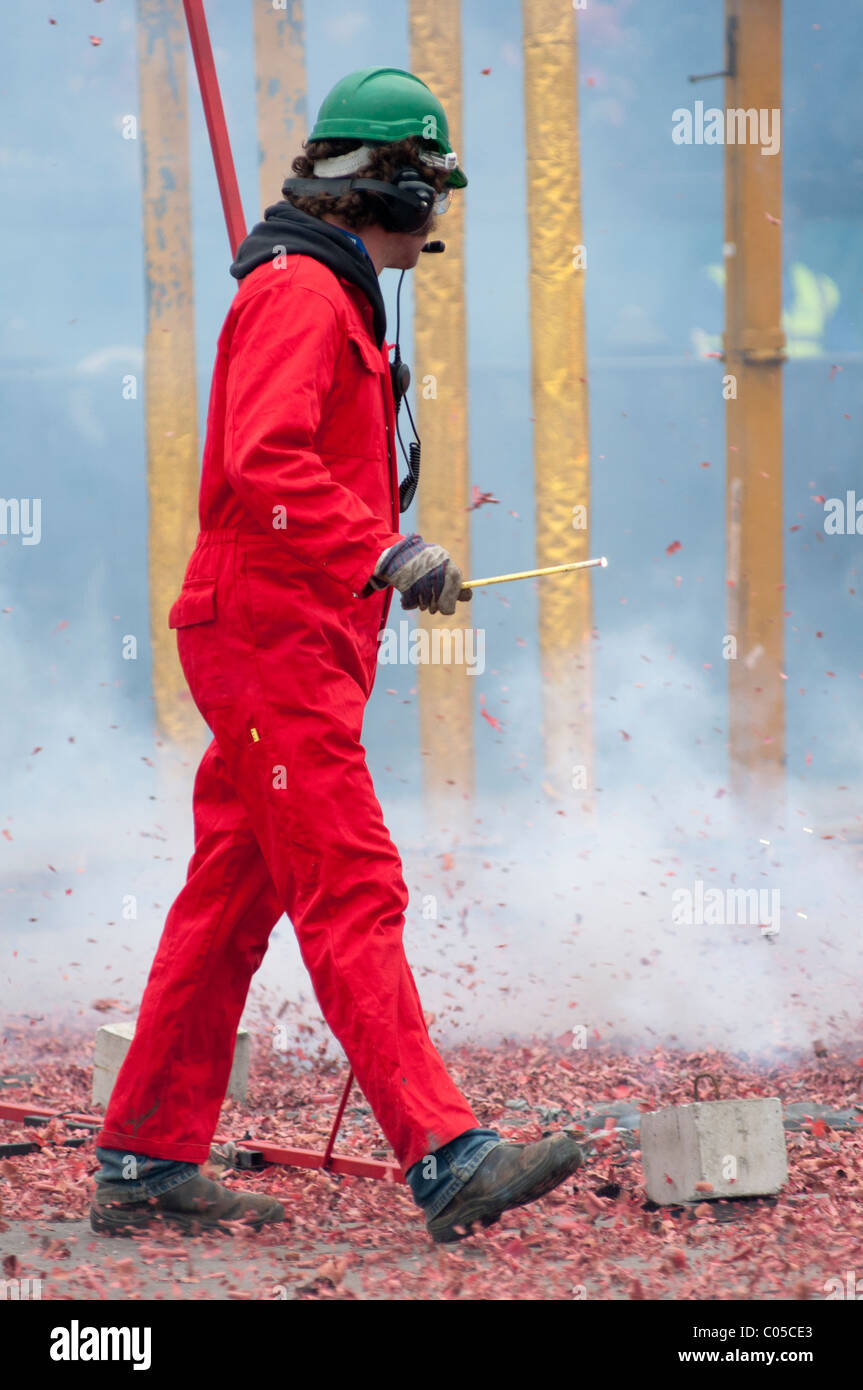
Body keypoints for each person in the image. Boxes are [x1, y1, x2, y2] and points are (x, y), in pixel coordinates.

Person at [91, 66, 582, 1245]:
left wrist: (374, 560)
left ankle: (147, 1162)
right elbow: (264, 468)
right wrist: (386, 547)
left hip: (284, 635)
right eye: (433, 189)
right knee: (351, 882)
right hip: (268, 643)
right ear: (395, 184)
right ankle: (445, 1154)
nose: (439, 217)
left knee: (228, 899)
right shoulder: (306, 294)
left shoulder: (318, 289)